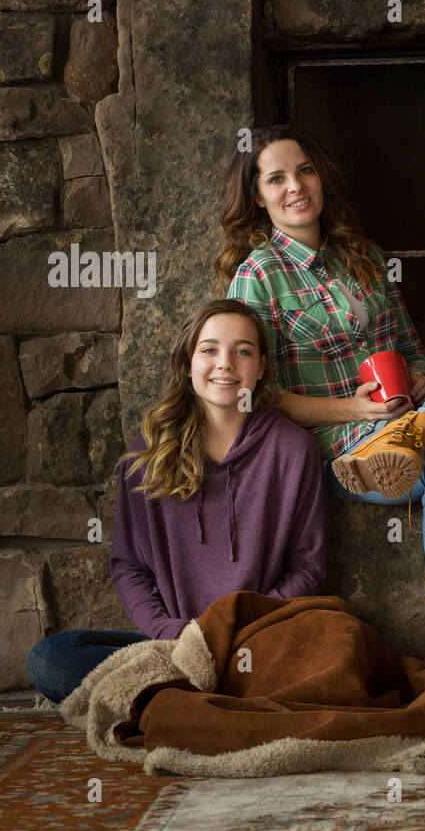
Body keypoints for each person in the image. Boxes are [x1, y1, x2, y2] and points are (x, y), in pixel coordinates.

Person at [217, 125, 425, 648]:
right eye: (276, 178)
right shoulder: (257, 278)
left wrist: (421, 379)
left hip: (405, 423)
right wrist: (354, 409)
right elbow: (257, 398)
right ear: (258, 196)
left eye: (304, 171)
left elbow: (411, 345)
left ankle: (420, 428)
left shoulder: (364, 256)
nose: (296, 186)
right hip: (346, 453)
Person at [26, 299, 330, 702]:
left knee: (331, 648)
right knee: (51, 658)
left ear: (260, 368)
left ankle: (177, 699)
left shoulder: (294, 450)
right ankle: (208, 696)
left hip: (257, 641)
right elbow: (130, 567)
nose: (225, 363)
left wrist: (236, 632)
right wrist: (177, 635)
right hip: (173, 644)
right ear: (188, 364)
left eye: (243, 351)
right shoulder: (149, 453)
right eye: (209, 350)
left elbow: (307, 567)